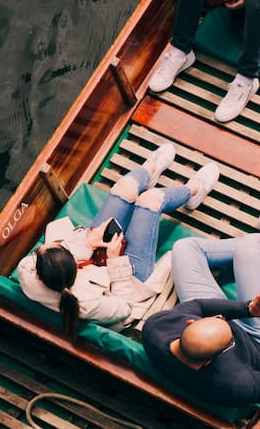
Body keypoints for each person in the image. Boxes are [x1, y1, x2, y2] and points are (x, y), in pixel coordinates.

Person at [16, 143, 219, 338]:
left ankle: (150, 169)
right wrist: (115, 261)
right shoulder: (88, 304)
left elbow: (35, 259)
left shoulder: (28, 272)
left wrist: (88, 243)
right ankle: (193, 190)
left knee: (125, 188)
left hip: (94, 257)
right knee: (150, 200)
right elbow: (125, 306)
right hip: (129, 279)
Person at [140, 211, 260, 408]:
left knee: (185, 248)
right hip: (257, 342)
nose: (224, 318)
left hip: (240, 318)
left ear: (190, 323)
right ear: (209, 361)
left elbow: (199, 306)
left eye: (217, 319)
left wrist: (248, 309)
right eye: (228, 336)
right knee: (252, 246)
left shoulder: (155, 328)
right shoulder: (232, 383)